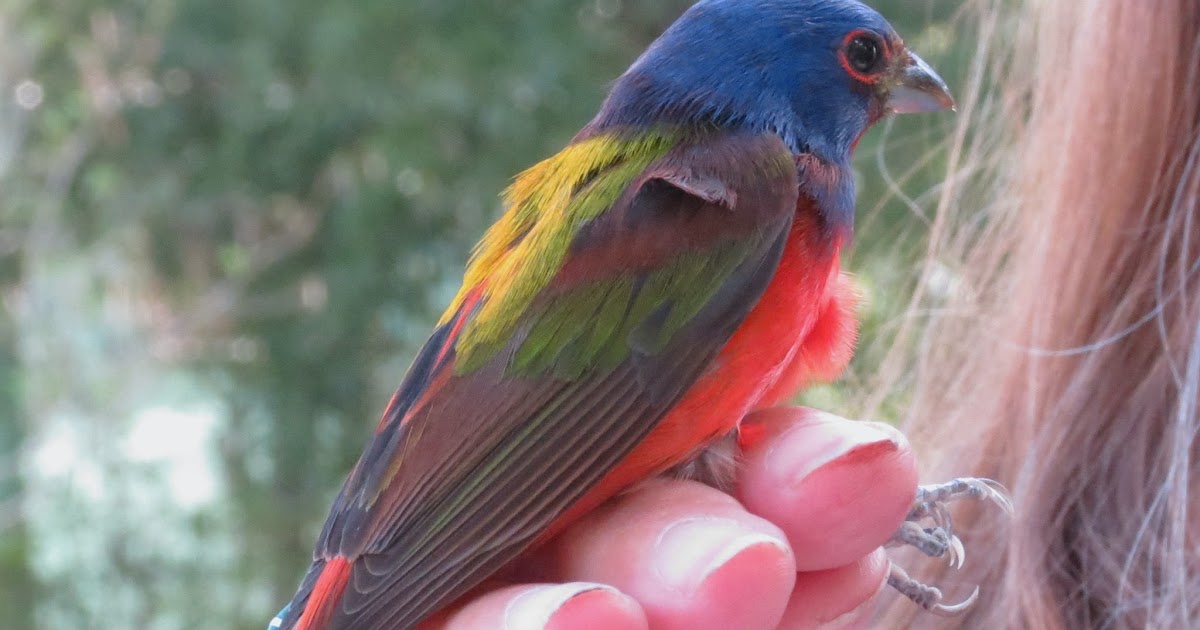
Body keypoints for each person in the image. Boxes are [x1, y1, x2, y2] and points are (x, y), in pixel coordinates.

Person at [436, 0, 1200, 627]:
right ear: (769, 63)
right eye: (866, 60)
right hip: (470, 496)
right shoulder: (733, 186)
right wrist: (424, 562)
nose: (911, 83)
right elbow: (590, 421)